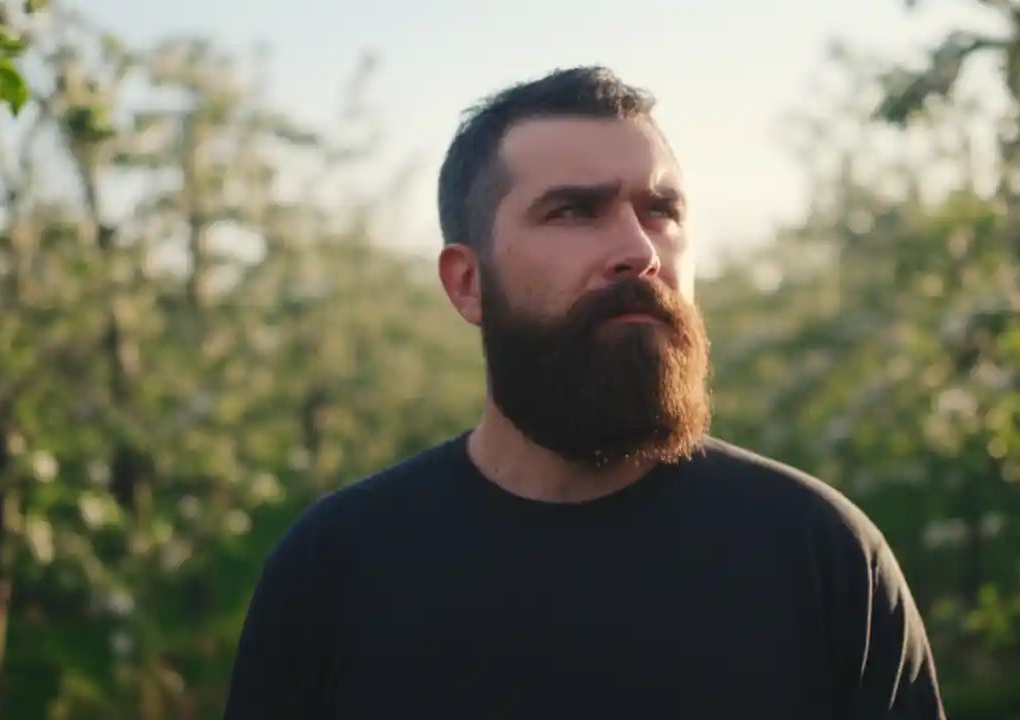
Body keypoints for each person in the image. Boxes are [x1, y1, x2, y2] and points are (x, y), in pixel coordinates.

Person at [223, 66, 947, 719]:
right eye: (573, 211)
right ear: (467, 282)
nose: (639, 249)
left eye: (661, 211)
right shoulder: (336, 571)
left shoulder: (820, 557)